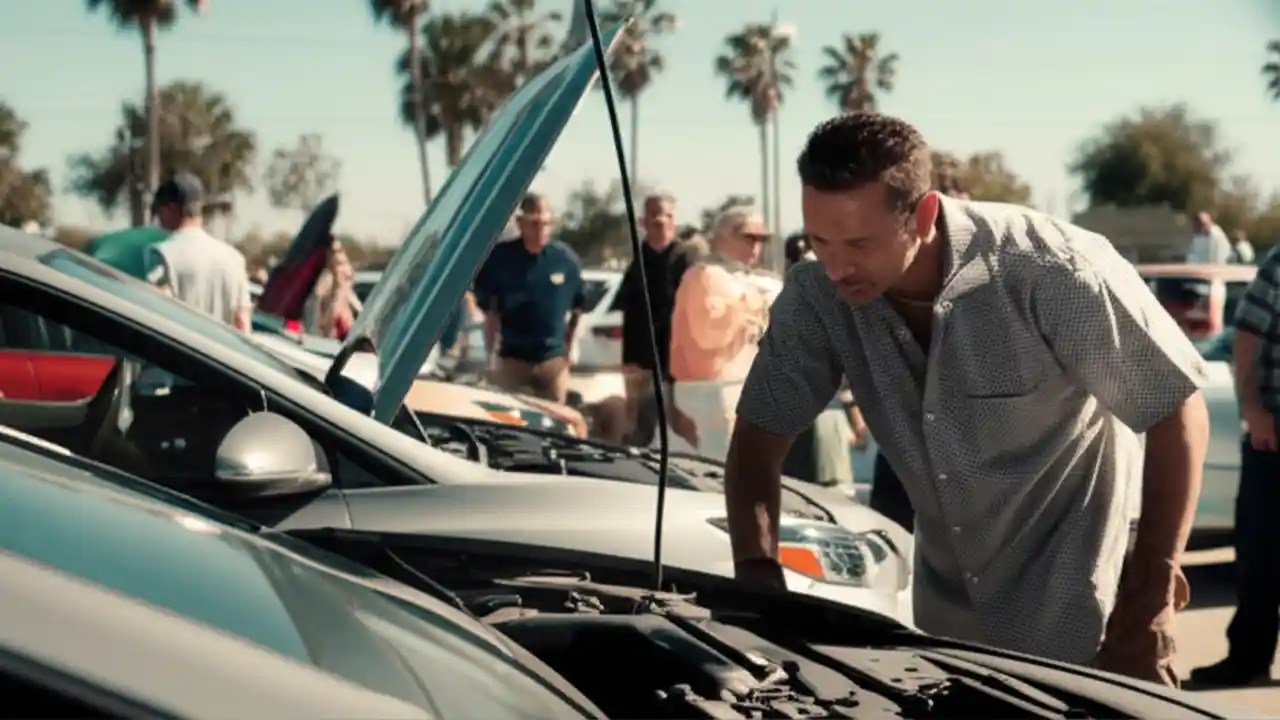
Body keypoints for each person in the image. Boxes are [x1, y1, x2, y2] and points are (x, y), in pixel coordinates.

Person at [724, 112, 1209, 686]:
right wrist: (757, 574)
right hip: (947, 635)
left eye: (859, 242)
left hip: (1093, 626)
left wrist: (1152, 595)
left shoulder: (1052, 272)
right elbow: (757, 443)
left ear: (923, 214)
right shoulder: (817, 297)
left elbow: (1177, 408)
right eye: (820, 241)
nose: (837, 267)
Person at [1190, 245, 1280, 687]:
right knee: (1261, 559)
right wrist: (1252, 407)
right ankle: (1247, 659)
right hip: (1273, 438)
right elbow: (1247, 334)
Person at [665, 207, 779, 461]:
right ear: (721, 237)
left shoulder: (752, 279)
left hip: (743, 389)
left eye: (761, 240)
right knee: (720, 474)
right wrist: (754, 301)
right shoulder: (705, 275)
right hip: (711, 392)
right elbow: (709, 335)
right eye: (749, 238)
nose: (756, 247)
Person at [473, 192, 585, 404]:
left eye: (545, 223)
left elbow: (580, 308)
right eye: (533, 223)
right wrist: (490, 356)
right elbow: (491, 312)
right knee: (506, 414)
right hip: (513, 359)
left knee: (557, 418)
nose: (539, 229)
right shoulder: (500, 259)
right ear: (520, 223)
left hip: (553, 360)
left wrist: (573, 346)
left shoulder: (564, 259)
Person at [618, 193, 707, 445]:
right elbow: (628, 311)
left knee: (679, 427)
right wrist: (630, 363)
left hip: (677, 363)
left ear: (674, 220)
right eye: (654, 214)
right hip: (640, 362)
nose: (660, 220)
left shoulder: (687, 260)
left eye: (667, 214)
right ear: (643, 220)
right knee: (638, 428)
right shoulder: (638, 260)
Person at [144, 173, 252, 333]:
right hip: (221, 357)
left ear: (170, 209)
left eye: (159, 211)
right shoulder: (234, 258)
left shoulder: (162, 253)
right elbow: (242, 324)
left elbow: (156, 315)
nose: (159, 219)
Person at [303, 239, 361, 340]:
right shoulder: (319, 294)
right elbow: (317, 332)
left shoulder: (351, 297)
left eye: (344, 264)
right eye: (339, 266)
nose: (344, 271)